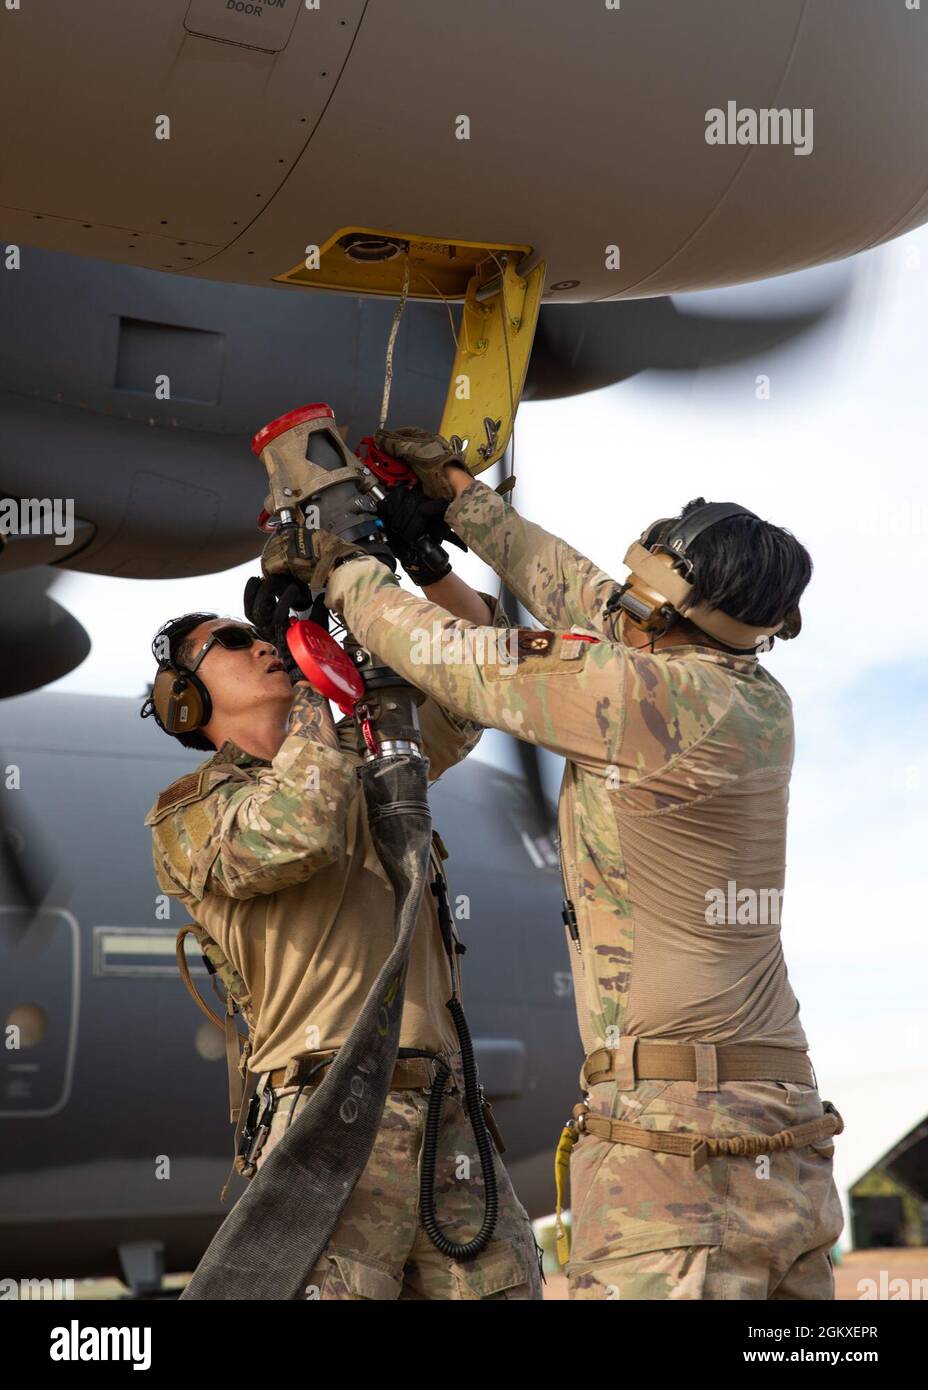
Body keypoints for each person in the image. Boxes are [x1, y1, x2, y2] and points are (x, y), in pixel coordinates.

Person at [264, 426, 845, 1300]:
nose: (621, 606)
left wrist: (344, 558)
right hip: (782, 1134)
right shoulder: (751, 694)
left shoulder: (640, 694)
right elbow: (582, 593)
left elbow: (453, 661)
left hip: (677, 1154)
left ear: (661, 614)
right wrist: (459, 501)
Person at [140, 576, 543, 1300]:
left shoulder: (358, 758)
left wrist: (418, 569)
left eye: (259, 634)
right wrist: (311, 682)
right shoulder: (191, 816)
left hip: (448, 1115)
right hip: (329, 1118)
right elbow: (300, 828)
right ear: (185, 702)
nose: (259, 643)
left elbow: (480, 671)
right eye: (231, 642)